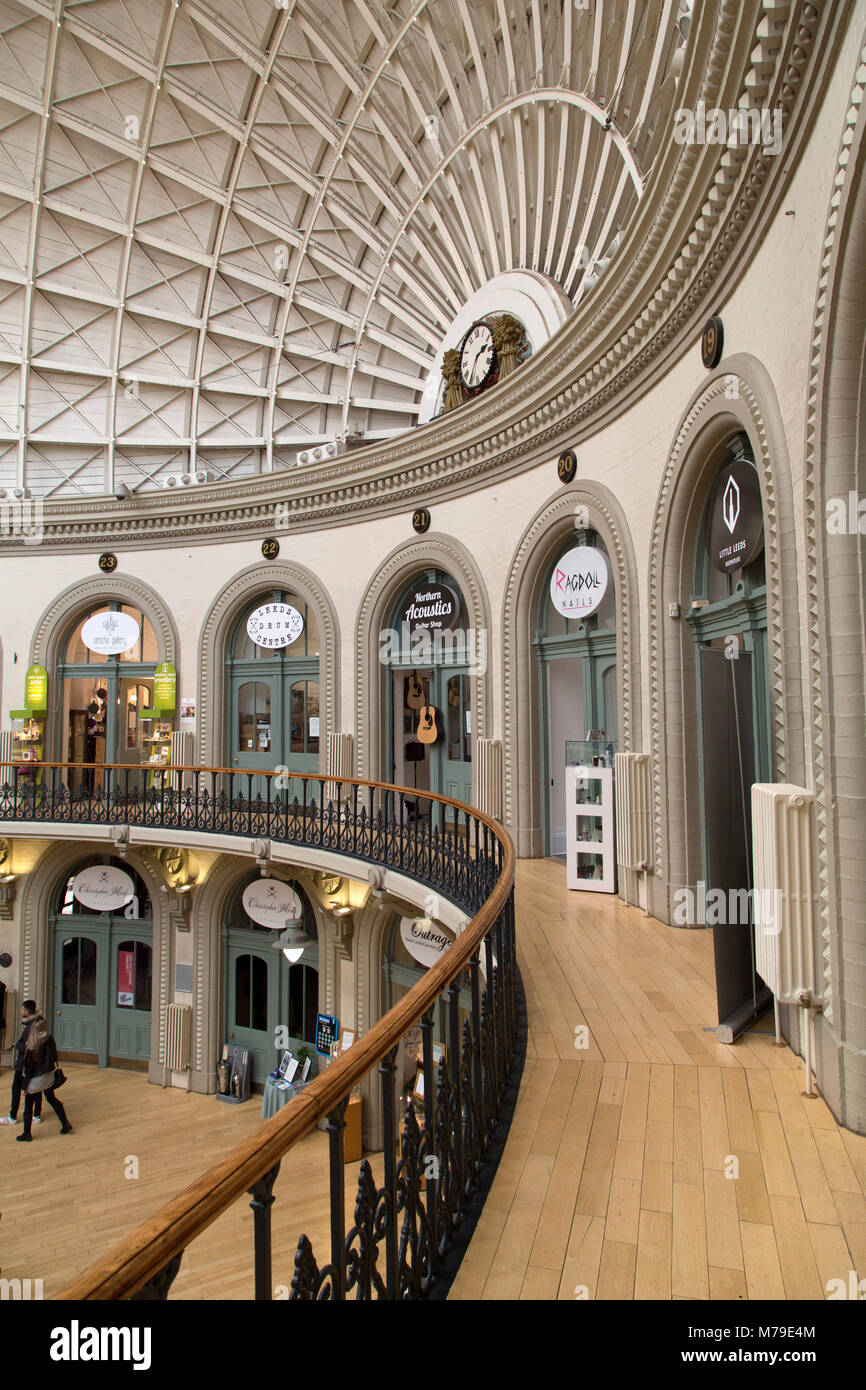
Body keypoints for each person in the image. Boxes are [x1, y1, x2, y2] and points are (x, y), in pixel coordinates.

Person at [15, 1011, 71, 1142]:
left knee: (28, 1107)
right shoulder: (50, 1039)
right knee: (53, 1100)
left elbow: (28, 1069)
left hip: (35, 1081)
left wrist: (24, 1087)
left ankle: (26, 1134)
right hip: (49, 1076)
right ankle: (65, 1124)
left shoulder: (33, 1045)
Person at [0, 999, 43, 1127]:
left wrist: (17, 1045)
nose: (20, 1011)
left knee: (16, 1088)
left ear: (27, 1012)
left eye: (22, 1009)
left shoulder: (30, 1027)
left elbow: (26, 1046)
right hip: (35, 1062)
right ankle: (37, 1115)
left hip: (24, 1063)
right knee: (36, 1088)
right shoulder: (39, 1023)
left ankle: (12, 1116)